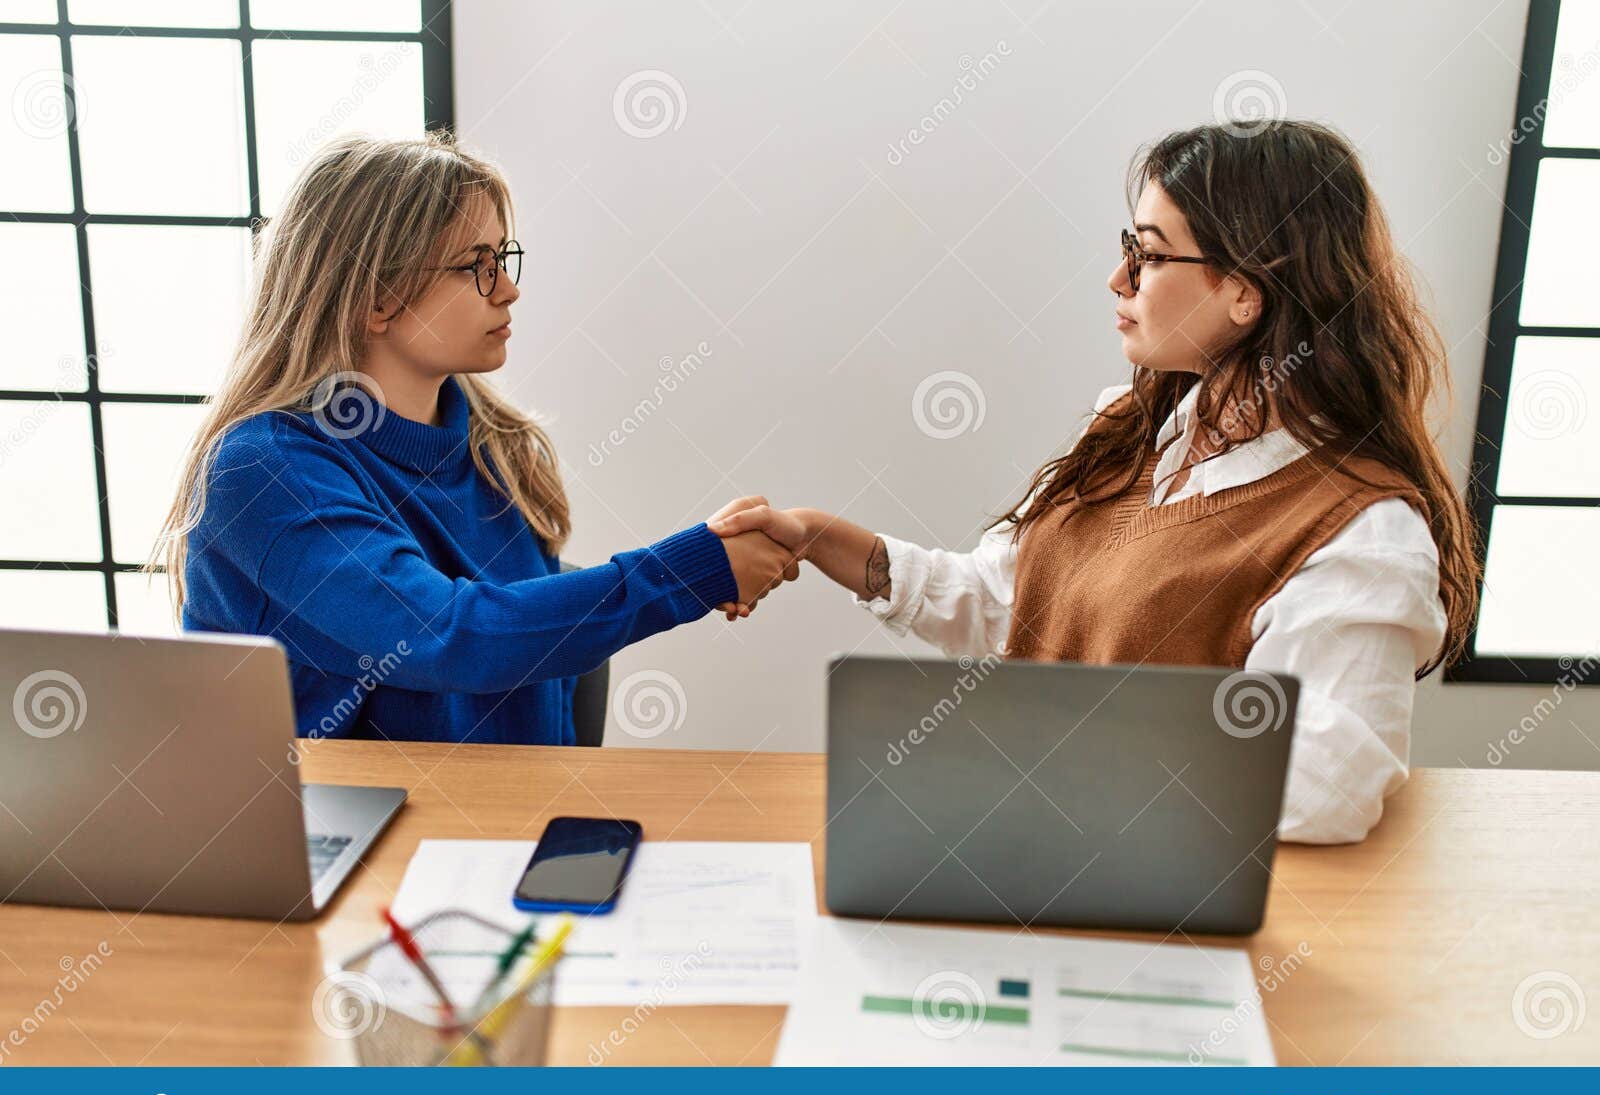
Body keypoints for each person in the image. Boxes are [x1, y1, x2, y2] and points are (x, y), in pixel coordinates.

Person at [710, 121, 1480, 844]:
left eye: (1148, 254)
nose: (1118, 278)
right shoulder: (1129, 428)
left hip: (1161, 899)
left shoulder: (1361, 527)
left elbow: (1328, 783)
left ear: (1246, 293)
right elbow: (1007, 607)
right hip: (1022, 848)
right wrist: (818, 538)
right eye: (1126, 247)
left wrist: (1050, 748)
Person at [156, 132, 797, 746]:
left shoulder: (496, 444)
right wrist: (692, 572)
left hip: (501, 824)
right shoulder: (263, 470)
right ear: (377, 299)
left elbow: (541, 693)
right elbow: (449, 638)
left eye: (503, 260)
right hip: (329, 846)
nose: (510, 290)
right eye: (476, 267)